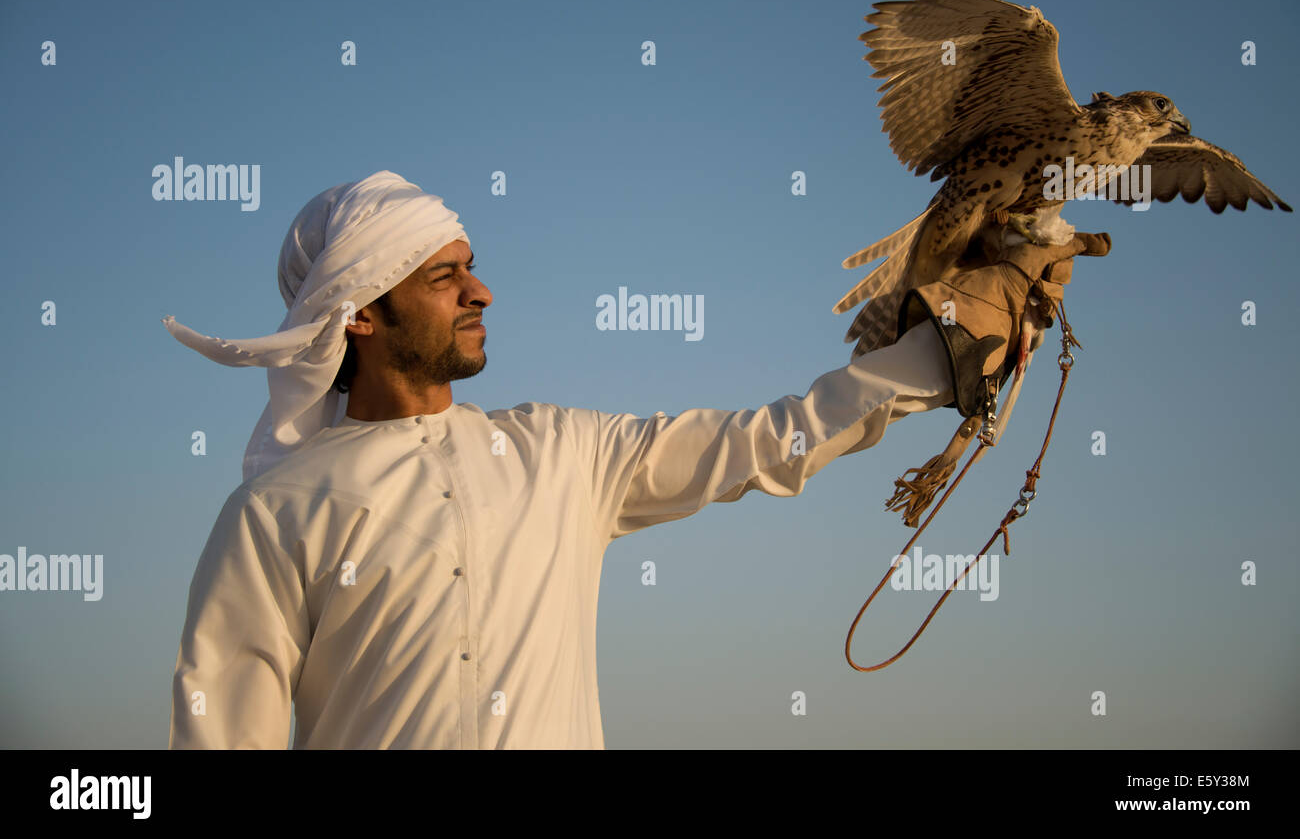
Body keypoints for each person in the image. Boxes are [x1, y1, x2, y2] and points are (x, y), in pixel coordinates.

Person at [163, 170, 1106, 749]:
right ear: (358, 314)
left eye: (471, 263)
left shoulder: (562, 453)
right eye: (443, 275)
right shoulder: (276, 511)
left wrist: (940, 356)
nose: (480, 287)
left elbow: (768, 438)